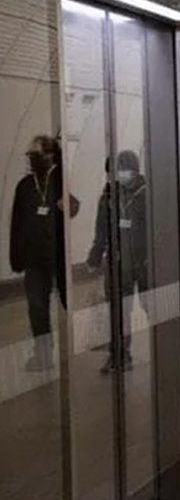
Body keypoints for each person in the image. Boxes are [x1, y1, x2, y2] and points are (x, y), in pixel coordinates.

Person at [9, 135, 77, 372]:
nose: (32, 159)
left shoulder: (58, 179)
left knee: (69, 303)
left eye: (36, 154)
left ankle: (80, 347)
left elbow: (74, 206)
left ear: (49, 155)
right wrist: (16, 257)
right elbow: (16, 224)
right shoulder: (25, 186)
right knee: (37, 309)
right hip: (34, 261)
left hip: (56, 257)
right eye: (30, 155)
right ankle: (43, 356)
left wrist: (66, 205)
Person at [88, 150, 150, 374]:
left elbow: (157, 229)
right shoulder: (107, 198)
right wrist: (95, 256)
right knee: (118, 311)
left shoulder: (146, 195)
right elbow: (101, 230)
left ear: (133, 170)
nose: (116, 176)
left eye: (120, 170)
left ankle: (168, 348)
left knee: (152, 305)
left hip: (143, 263)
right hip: (117, 263)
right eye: (111, 173)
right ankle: (119, 355)